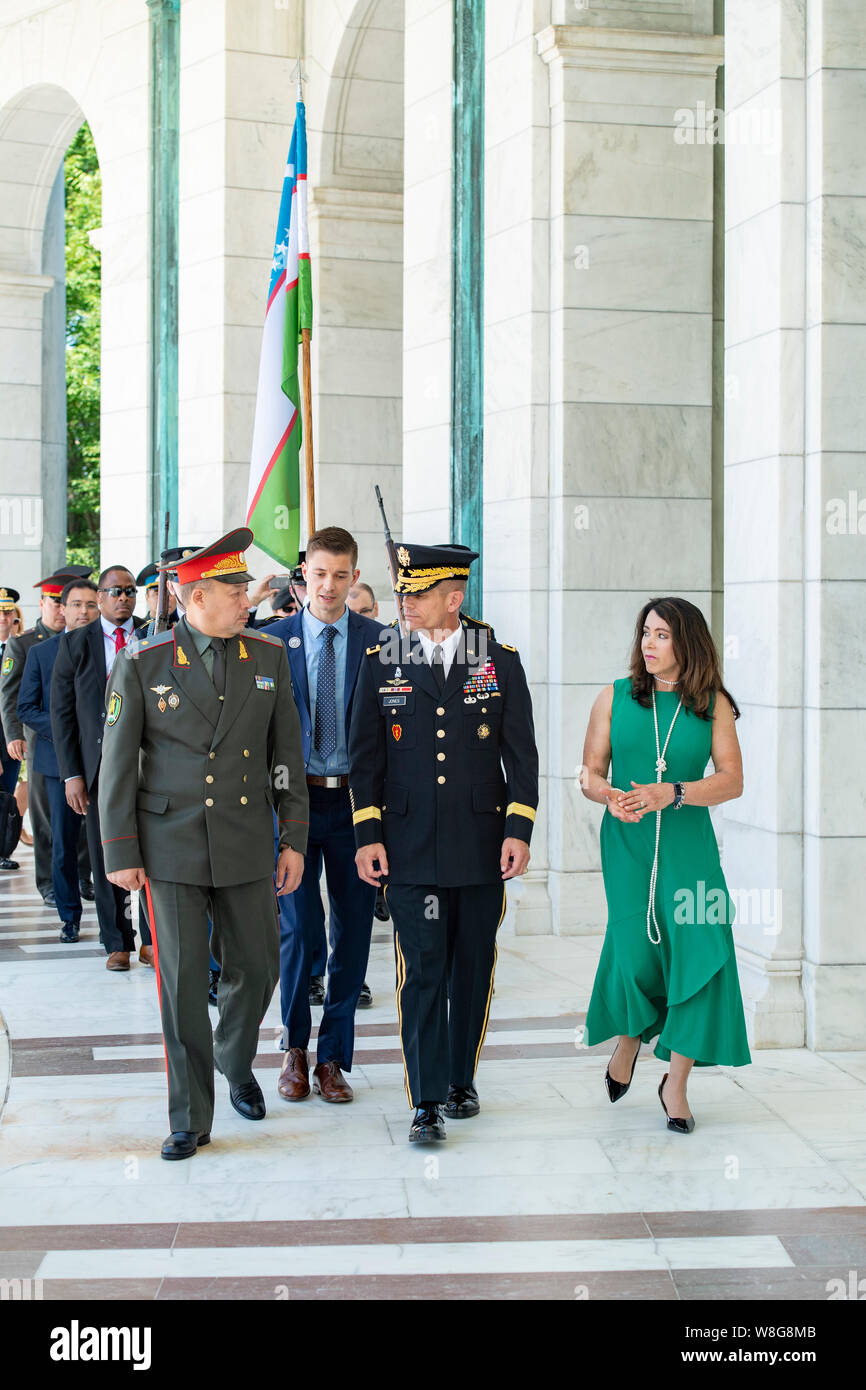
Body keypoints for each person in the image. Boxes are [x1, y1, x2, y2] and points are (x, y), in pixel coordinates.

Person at [98, 528, 308, 1160]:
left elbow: (286, 759)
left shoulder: (267, 658)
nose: (248, 599)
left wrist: (293, 836)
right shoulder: (143, 662)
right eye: (235, 589)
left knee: (260, 966)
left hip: (246, 838)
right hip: (171, 842)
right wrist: (121, 850)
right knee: (184, 982)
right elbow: (118, 762)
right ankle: (190, 1116)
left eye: (245, 588)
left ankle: (232, 1055)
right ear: (193, 596)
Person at [349, 543, 538, 1143]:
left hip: (482, 847)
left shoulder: (498, 660)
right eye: (402, 591)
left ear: (454, 599)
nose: (404, 602)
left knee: (471, 967)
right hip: (408, 847)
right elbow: (365, 758)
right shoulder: (384, 659)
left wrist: (518, 830)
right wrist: (368, 836)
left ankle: (461, 1077)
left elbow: (522, 756)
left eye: (418, 593)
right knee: (423, 969)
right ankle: (426, 1100)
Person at [581, 597, 750, 1134]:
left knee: (699, 950)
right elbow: (588, 772)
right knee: (635, 954)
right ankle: (630, 1038)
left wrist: (673, 792)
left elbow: (731, 780)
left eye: (660, 636)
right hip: (628, 845)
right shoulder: (614, 696)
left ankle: (675, 1081)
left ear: (686, 643)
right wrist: (608, 795)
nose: (648, 645)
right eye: (645, 634)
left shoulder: (712, 704)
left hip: (688, 847)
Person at [268, 527, 382, 1107]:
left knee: (353, 932)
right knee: (298, 929)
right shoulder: (270, 643)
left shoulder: (381, 642)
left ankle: (334, 1056)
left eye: (341, 575)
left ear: (354, 576)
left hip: (356, 807)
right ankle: (293, 1047)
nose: (330, 586)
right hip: (294, 805)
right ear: (303, 577)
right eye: (320, 574)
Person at [50, 565, 146, 970]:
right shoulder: (76, 644)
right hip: (98, 770)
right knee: (109, 854)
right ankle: (117, 941)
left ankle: (153, 939)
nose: (123, 597)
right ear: (101, 598)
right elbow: (62, 714)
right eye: (115, 591)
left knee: (153, 854)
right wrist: (72, 774)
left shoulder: (152, 635)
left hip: (147, 766)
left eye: (129, 591)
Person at [17, 579, 104, 944]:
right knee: (63, 844)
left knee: (101, 843)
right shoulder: (42, 653)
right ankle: (69, 917)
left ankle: (115, 923)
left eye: (90, 605)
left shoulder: (111, 648)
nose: (83, 612)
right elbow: (26, 707)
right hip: (57, 765)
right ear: (61, 609)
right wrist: (66, 727)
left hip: (104, 762)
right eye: (76, 605)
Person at [1, 569, 93, 895]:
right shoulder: (25, 644)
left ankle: (82, 877)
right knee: (45, 820)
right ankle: (48, 883)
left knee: (81, 816)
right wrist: (13, 734)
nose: (58, 608)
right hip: (42, 742)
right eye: (54, 601)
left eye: (62, 602)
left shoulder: (87, 641)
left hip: (83, 745)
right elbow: (11, 696)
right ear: (43, 604)